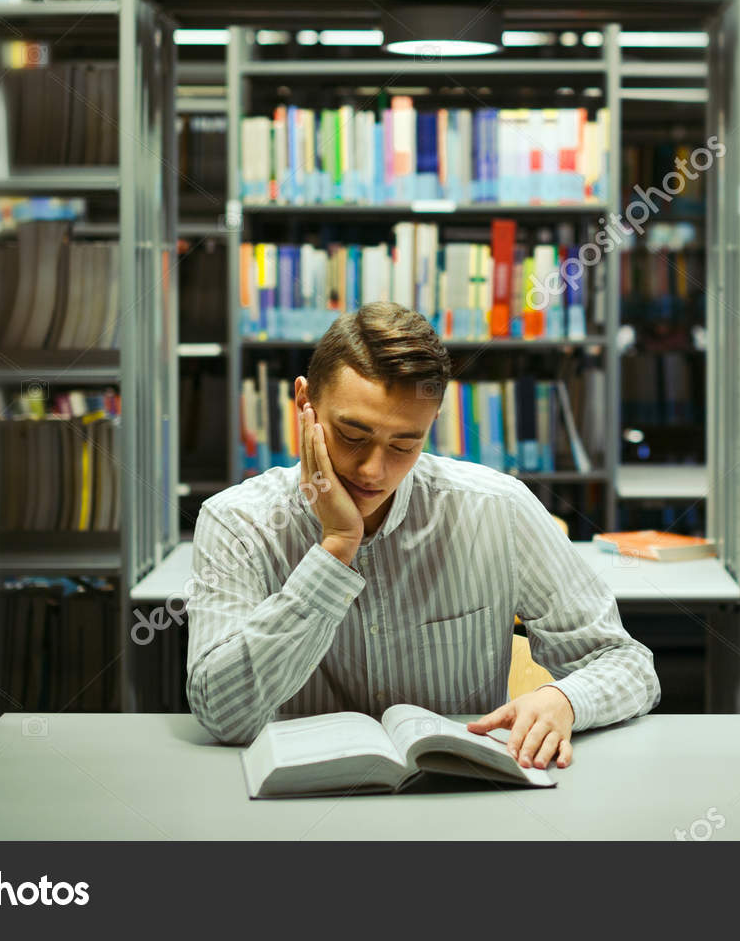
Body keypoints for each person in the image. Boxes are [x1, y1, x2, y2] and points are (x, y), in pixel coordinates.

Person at [185, 301, 660, 771]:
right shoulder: (238, 522)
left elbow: (628, 663)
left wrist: (565, 700)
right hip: (300, 803)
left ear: (432, 423)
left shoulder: (498, 509)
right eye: (352, 436)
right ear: (304, 403)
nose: (373, 471)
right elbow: (223, 716)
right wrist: (336, 548)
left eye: (403, 444)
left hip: (459, 799)